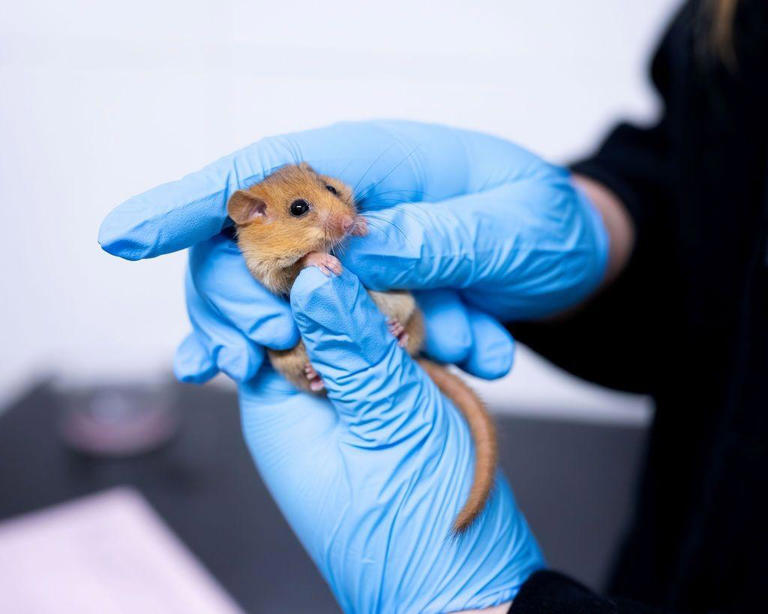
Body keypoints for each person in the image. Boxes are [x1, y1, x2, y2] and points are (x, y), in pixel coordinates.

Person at [99, 1, 767, 612]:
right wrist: (603, 229)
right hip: (680, 540)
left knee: (387, 311)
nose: (337, 213)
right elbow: (711, 171)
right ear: (254, 215)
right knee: (280, 346)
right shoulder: (256, 243)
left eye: (333, 192)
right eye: (306, 207)